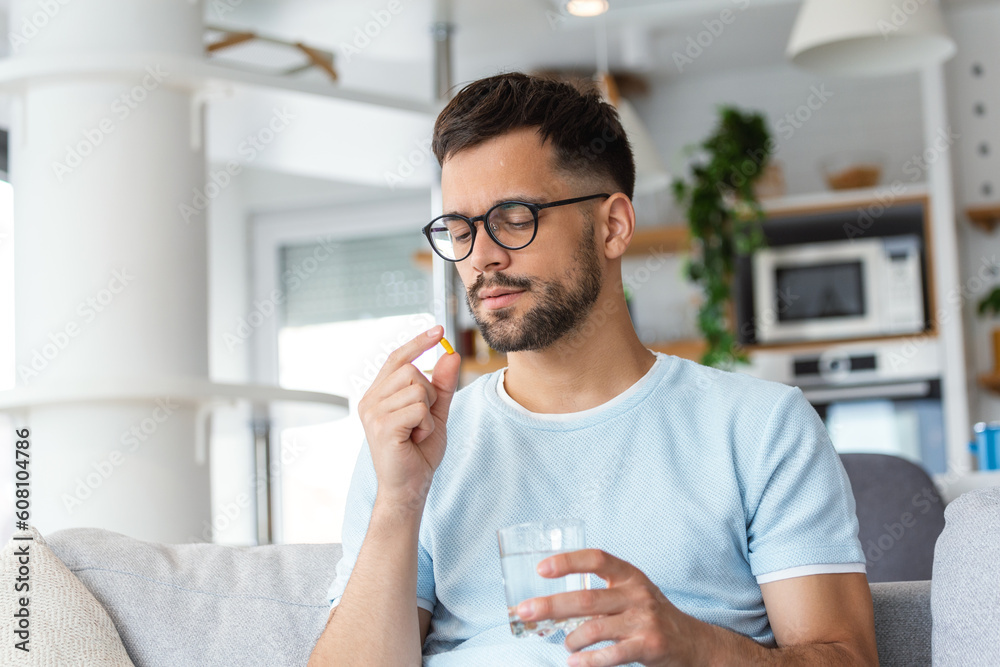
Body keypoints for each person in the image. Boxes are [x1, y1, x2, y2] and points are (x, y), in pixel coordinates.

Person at [308, 72, 877, 667]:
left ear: (612, 226)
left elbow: (850, 659)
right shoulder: (412, 448)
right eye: (459, 229)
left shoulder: (761, 428)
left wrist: (693, 643)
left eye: (514, 217)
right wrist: (400, 498)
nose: (482, 257)